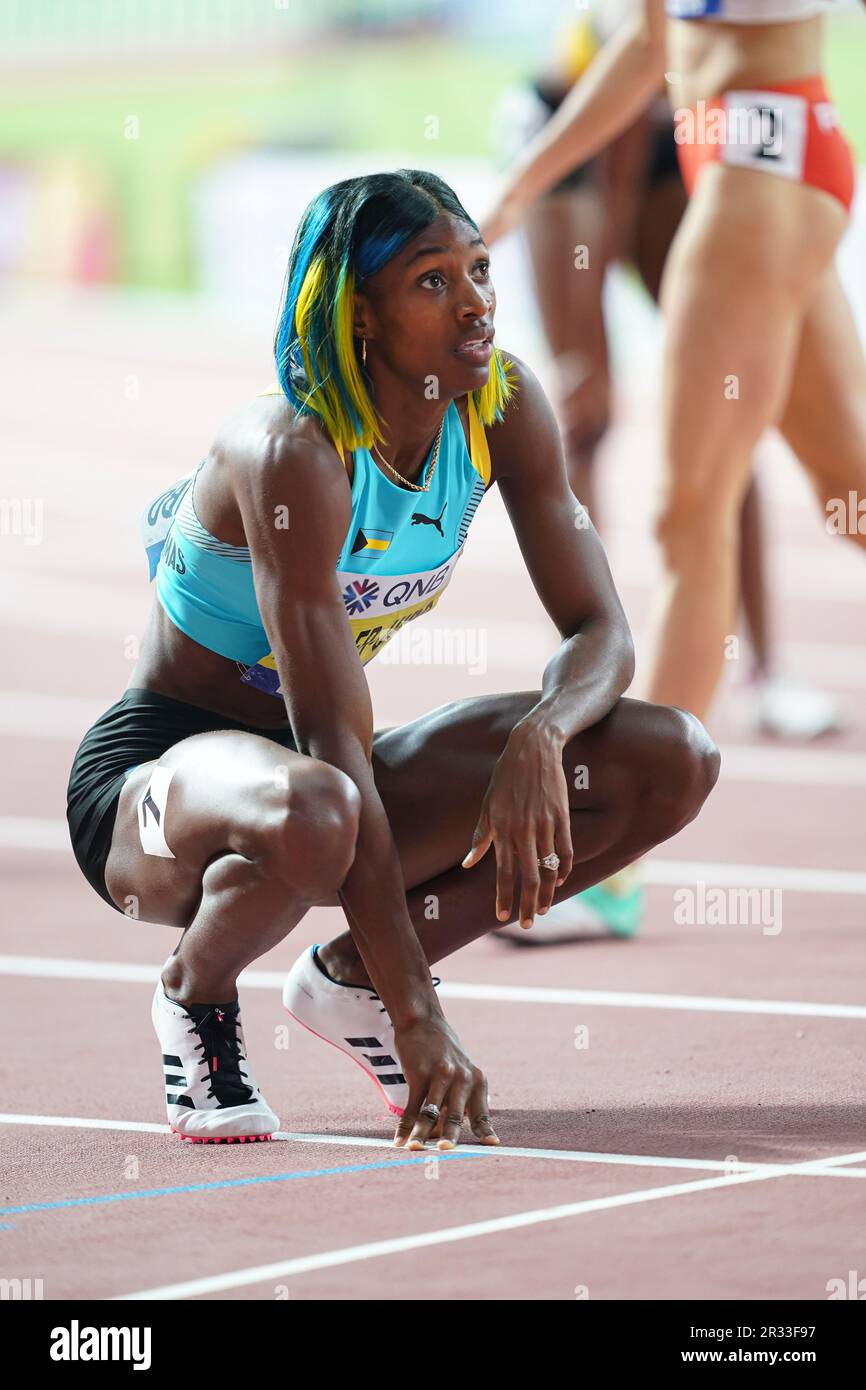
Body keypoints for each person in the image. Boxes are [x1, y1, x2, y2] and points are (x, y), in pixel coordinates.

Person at [66, 169, 719, 1148]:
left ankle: (354, 979)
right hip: (156, 793)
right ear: (358, 315)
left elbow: (600, 631)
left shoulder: (498, 404)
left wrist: (544, 734)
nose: (474, 302)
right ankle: (194, 995)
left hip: (323, 778)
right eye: (430, 280)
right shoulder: (291, 450)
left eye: (479, 269)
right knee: (320, 802)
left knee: (669, 756)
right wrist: (424, 1021)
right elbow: (332, 739)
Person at [492, 0, 848, 943]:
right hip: (755, 153)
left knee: (687, 516)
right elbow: (652, 45)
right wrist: (521, 188)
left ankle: (615, 862)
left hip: (753, 164)